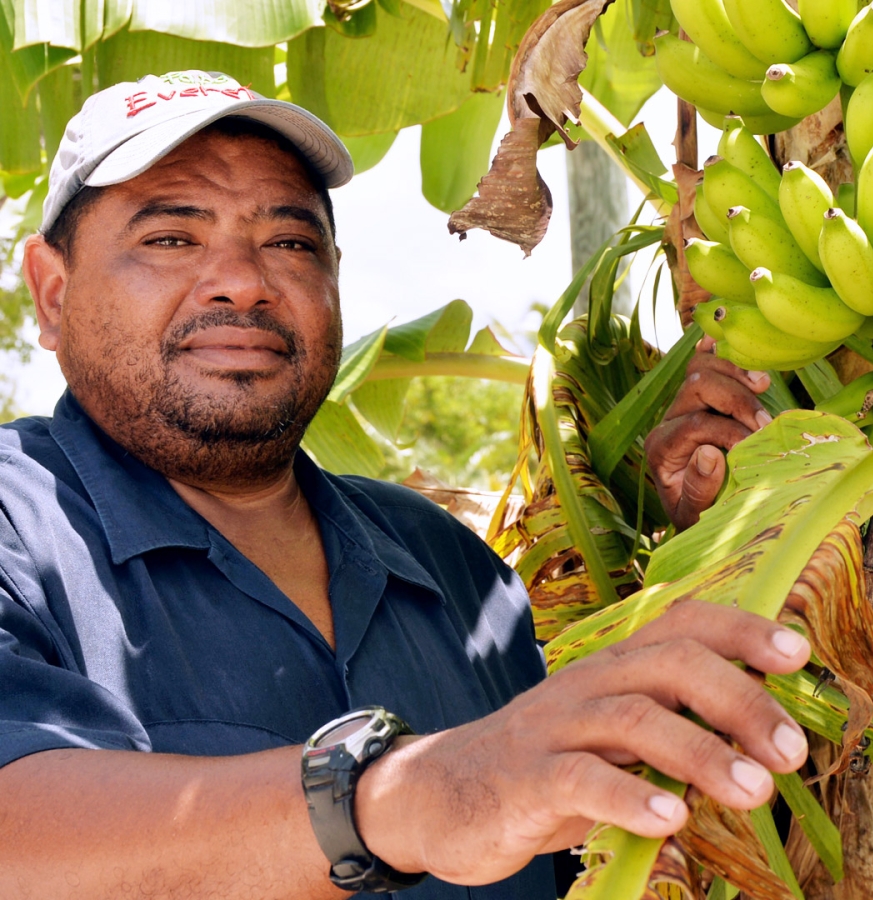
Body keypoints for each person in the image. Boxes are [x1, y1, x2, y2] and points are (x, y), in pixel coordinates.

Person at [0, 71, 807, 899]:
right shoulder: (18, 528)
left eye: (290, 242)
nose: (242, 280)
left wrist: (704, 543)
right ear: (54, 294)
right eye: (172, 239)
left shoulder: (453, 569)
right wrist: (403, 795)